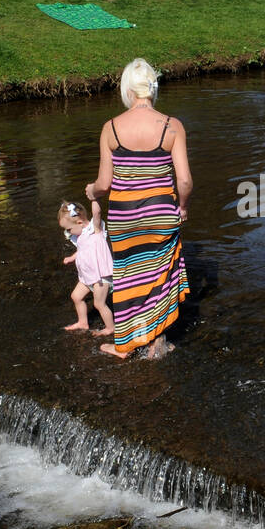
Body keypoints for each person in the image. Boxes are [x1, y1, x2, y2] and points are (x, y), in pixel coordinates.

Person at [86, 59, 192, 359]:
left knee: (129, 276)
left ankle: (125, 344)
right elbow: (184, 180)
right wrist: (182, 207)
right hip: (160, 213)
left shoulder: (111, 128)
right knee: (160, 275)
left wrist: (89, 190)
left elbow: (104, 184)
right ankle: (156, 338)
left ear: (127, 89)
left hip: (124, 216)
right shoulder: (172, 126)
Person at [60, 200, 114, 335]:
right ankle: (83, 322)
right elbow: (82, 249)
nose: (67, 234)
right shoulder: (80, 236)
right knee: (76, 296)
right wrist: (72, 258)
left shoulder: (95, 231)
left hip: (101, 276)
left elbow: (97, 213)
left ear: (79, 223)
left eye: (68, 230)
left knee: (99, 304)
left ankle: (110, 327)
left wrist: (94, 198)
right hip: (87, 276)